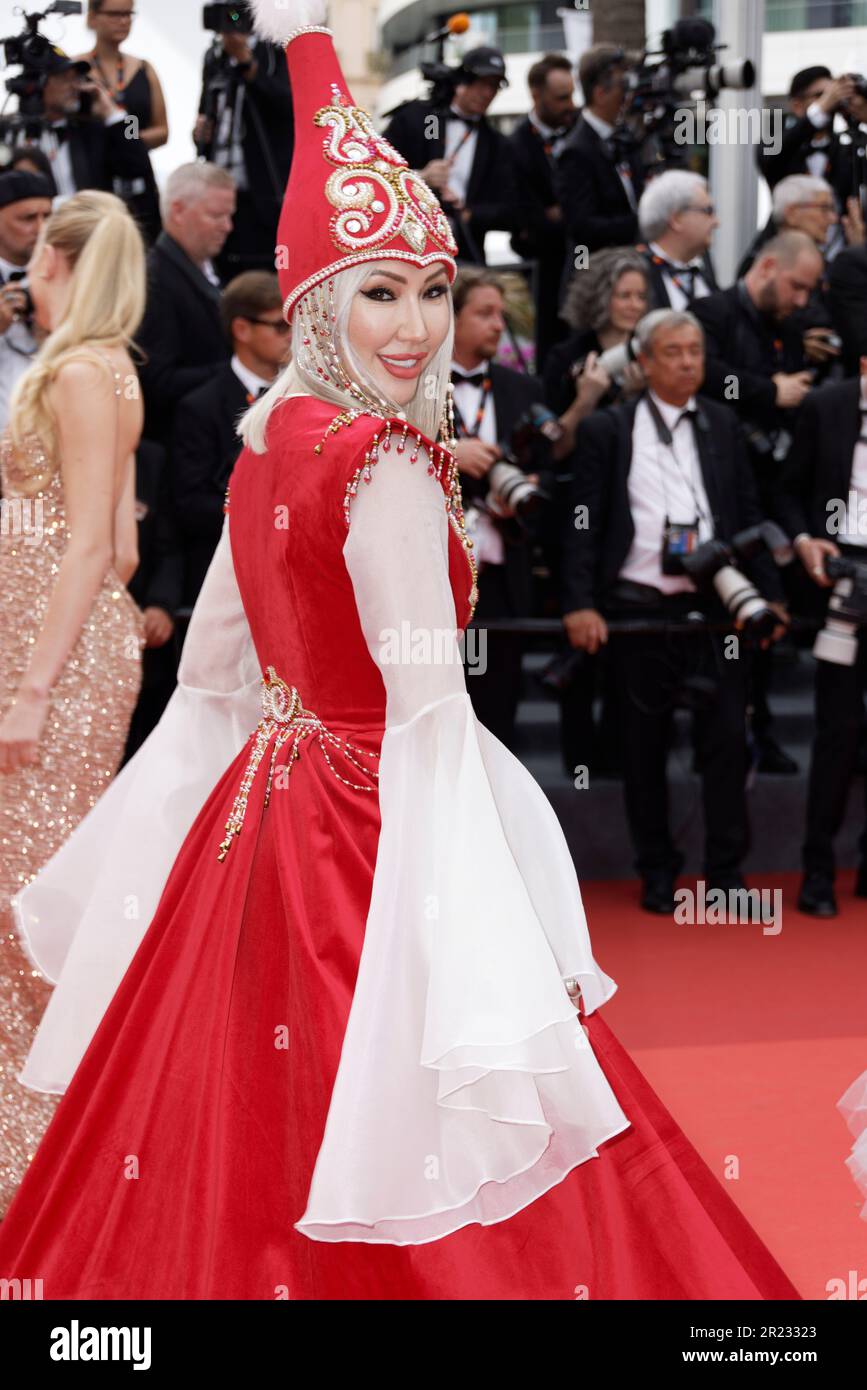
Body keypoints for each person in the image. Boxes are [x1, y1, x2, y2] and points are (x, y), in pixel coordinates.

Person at [0, 5, 799, 1302]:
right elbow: (428, 707)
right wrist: (499, 893)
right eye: (377, 291)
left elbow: (213, 675)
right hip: (374, 817)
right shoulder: (383, 459)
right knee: (442, 1119)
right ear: (313, 299)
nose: (415, 326)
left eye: (432, 290)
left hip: (260, 817)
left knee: (234, 1115)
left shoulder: (272, 430)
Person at [0, 189, 145, 1217]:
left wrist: (35, 688)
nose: (27, 278)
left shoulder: (87, 373)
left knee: (32, 906)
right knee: (28, 896)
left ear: (60, 262)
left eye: (39, 262)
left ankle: (56, 1151)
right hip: (51, 643)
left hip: (54, 666)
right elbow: (125, 544)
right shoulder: (99, 371)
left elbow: (95, 546)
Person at [560, 310, 787, 913]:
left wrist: (769, 595)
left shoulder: (721, 423)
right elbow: (581, 525)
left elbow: (746, 511)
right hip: (635, 607)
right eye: (674, 351)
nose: (689, 362)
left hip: (714, 608)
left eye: (696, 351)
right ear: (643, 362)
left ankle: (724, 872)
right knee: (642, 746)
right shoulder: (609, 430)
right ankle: (656, 869)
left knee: (726, 743)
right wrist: (580, 603)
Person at [693, 230, 824, 775]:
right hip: (720, 490)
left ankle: (762, 731)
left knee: (772, 613)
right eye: (796, 286)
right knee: (720, 619)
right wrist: (769, 390)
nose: (801, 300)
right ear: (768, 266)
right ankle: (719, 737)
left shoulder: (792, 325)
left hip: (778, 491)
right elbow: (700, 376)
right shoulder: (712, 311)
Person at [775, 359, 867, 916]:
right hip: (841, 580)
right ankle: (817, 871)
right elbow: (785, 492)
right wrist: (806, 539)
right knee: (838, 730)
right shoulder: (825, 407)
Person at [448, 266, 549, 750]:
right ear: (450, 316)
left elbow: (550, 471)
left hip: (504, 576)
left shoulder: (522, 388)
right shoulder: (408, 384)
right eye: (484, 313)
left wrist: (529, 485)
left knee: (498, 707)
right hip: (436, 573)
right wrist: (449, 454)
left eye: (500, 314)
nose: (496, 324)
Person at [172, 271, 288, 607]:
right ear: (242, 329)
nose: (292, 337)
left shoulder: (308, 397)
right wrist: (263, 514)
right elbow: (189, 505)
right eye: (280, 327)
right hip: (228, 578)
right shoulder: (199, 407)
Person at [383, 46, 519, 265]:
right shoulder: (414, 117)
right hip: (406, 244)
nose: (487, 93)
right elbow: (376, 169)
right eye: (482, 83)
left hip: (464, 253)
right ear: (462, 81)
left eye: (494, 87)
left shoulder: (497, 144)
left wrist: (469, 213)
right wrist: (419, 177)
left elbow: (510, 209)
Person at [137, 163, 236, 445]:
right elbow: (157, 382)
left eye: (230, 215)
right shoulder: (154, 279)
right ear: (178, 210)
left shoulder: (209, 266)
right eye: (216, 215)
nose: (228, 227)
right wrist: (240, 366)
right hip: (182, 449)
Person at [194, 20, 293, 277]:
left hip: (267, 188)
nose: (229, 21)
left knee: (261, 278)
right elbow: (207, 110)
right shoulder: (215, 57)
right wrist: (201, 134)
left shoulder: (277, 49)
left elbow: (288, 106)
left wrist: (248, 64)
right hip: (221, 182)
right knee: (222, 272)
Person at [9, 45, 152, 205]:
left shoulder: (93, 131)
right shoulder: (9, 132)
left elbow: (140, 163)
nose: (75, 86)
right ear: (37, 85)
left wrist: (114, 113)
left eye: (76, 78)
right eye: (64, 78)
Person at [554, 43, 645, 289]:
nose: (629, 95)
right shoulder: (576, 151)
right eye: (622, 86)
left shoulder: (626, 137)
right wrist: (644, 222)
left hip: (629, 272)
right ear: (600, 93)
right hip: (596, 283)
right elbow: (583, 227)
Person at [77, 0, 170, 243]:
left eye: (128, 14)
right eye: (115, 14)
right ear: (93, 17)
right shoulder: (76, 69)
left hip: (136, 178)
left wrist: (127, 138)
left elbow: (162, 130)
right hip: (91, 176)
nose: (123, 21)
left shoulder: (143, 69)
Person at [508, 53, 578, 370]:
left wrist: (562, 213)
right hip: (546, 269)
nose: (570, 104)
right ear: (536, 95)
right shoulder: (517, 145)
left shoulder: (580, 131)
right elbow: (526, 217)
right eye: (561, 97)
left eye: (572, 95)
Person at [0, 172, 53, 434]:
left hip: (56, 426)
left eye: (48, 217)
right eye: (28, 218)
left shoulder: (65, 274)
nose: (41, 228)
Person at [635, 171, 720, 310]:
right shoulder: (636, 270)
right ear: (676, 219)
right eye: (708, 211)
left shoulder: (703, 266)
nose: (717, 222)